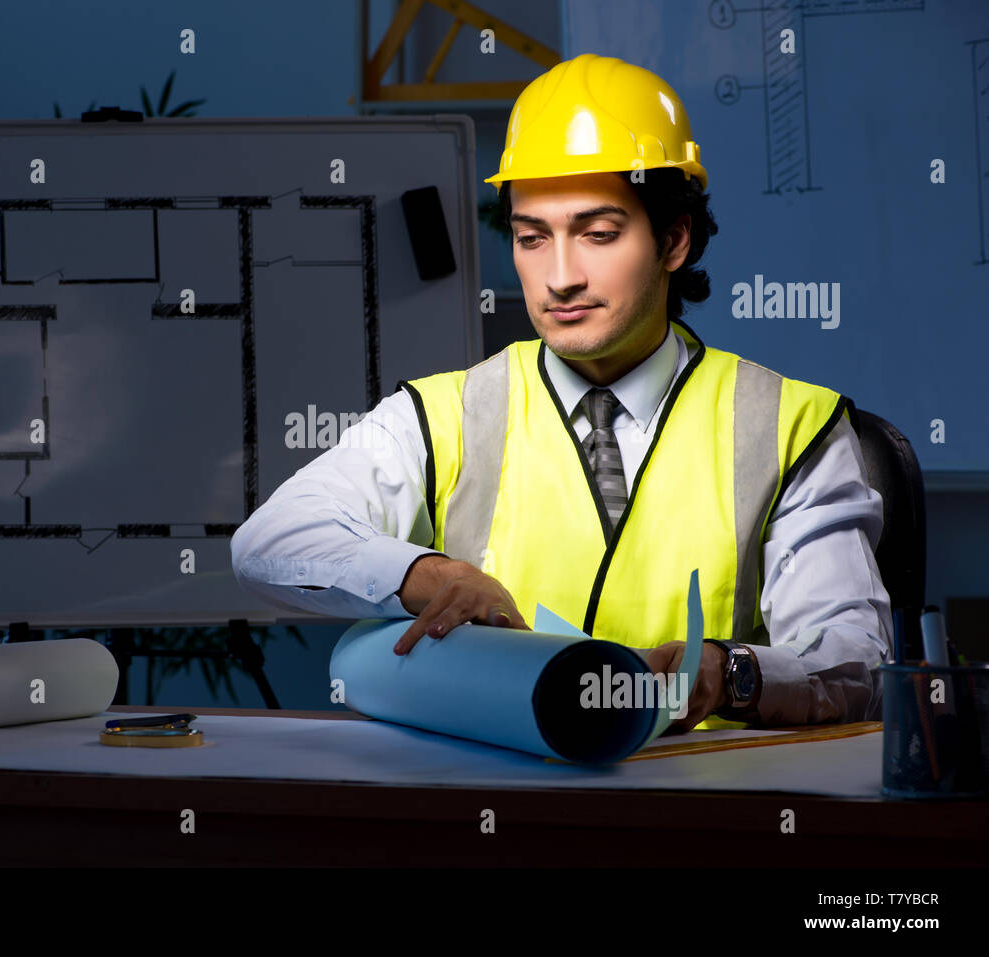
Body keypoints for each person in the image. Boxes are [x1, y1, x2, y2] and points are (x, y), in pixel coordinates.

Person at [231, 54, 891, 730]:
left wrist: (733, 672)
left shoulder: (789, 424)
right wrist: (428, 574)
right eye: (531, 238)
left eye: (598, 234)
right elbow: (271, 539)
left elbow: (856, 661)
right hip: (500, 804)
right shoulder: (445, 413)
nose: (561, 276)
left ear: (673, 239)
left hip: (704, 807)